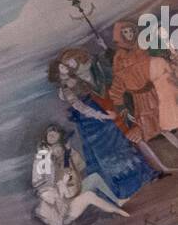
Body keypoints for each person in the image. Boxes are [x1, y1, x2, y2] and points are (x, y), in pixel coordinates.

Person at [49, 52, 163, 196]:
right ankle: (128, 188)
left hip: (101, 112)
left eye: (65, 66)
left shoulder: (77, 77)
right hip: (92, 123)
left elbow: (94, 77)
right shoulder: (65, 89)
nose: (65, 68)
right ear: (58, 73)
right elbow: (81, 107)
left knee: (123, 146)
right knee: (109, 154)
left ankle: (147, 174)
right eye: (62, 67)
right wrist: (101, 115)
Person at [32, 129, 130, 225]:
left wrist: (69, 154)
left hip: (70, 191)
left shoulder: (66, 155)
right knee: (87, 195)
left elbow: (80, 168)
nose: (58, 149)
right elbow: (63, 195)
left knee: (94, 178)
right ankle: (116, 210)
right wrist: (64, 184)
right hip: (66, 201)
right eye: (55, 147)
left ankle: (117, 201)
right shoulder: (47, 162)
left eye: (59, 145)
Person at [109, 21, 178, 150]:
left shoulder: (144, 47)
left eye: (130, 31)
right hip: (142, 99)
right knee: (155, 127)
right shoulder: (120, 58)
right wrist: (119, 103)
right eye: (125, 32)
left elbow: (161, 63)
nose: (129, 35)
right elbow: (118, 83)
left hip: (158, 89)